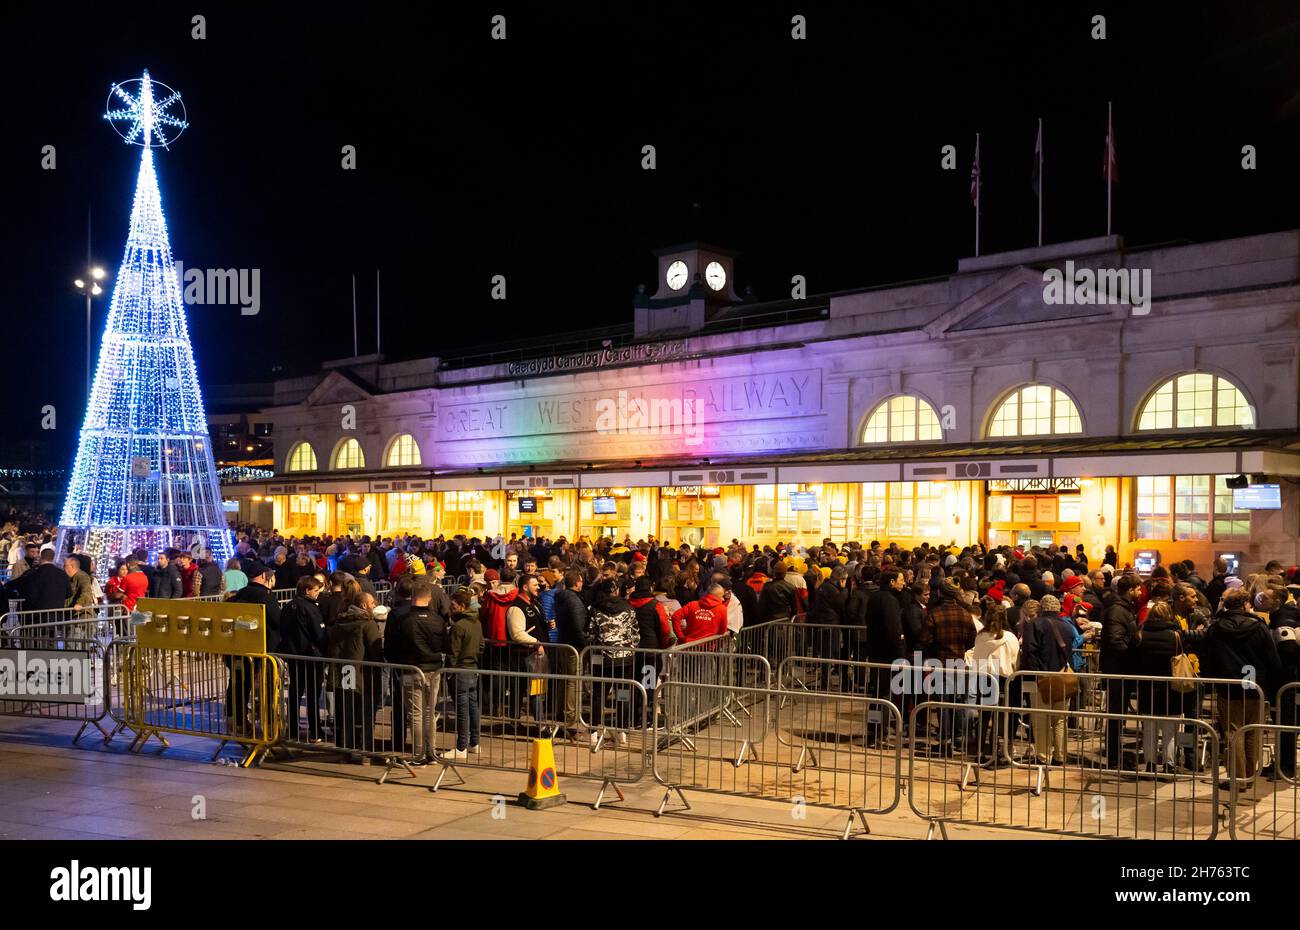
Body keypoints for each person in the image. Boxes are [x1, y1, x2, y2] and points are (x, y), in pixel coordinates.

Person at [1186, 588, 1284, 788]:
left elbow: (1208, 656)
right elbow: (1272, 658)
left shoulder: (1216, 628)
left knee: (1232, 731)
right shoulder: (1258, 627)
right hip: (1255, 685)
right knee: (1253, 732)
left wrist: (1212, 678)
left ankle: (1237, 779)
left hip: (1227, 686)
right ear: (1246, 603)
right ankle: (1248, 777)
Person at [384, 578, 448, 760]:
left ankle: (419, 752)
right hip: (433, 669)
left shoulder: (403, 620)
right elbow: (444, 644)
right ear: (428, 599)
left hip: (411, 669)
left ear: (412, 597)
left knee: (416, 713)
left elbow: (391, 645)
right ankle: (431, 750)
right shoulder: (437, 620)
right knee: (429, 711)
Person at [325, 581, 385, 762]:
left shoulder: (339, 622)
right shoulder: (367, 625)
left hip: (343, 673)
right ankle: (364, 750)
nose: (375, 606)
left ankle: (345, 748)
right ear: (364, 605)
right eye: (373, 603)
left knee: (345, 711)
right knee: (364, 713)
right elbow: (375, 651)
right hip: (362, 675)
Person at [1019, 594, 1073, 765]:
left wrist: (1032, 674)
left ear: (1042, 608)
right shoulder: (1067, 626)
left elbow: (1029, 651)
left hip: (1041, 677)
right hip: (1063, 677)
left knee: (1041, 718)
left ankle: (1043, 757)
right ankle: (1060, 755)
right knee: (1060, 719)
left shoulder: (1035, 624)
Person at [1133, 600, 1186, 773]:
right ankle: (1169, 764)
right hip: (1170, 686)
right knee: (1170, 729)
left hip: (1147, 686)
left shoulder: (1140, 634)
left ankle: (1150, 763)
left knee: (1149, 728)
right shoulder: (1175, 636)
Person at [585, 577, 639, 746]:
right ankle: (621, 730)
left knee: (598, 695)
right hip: (625, 658)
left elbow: (590, 633)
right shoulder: (629, 608)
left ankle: (594, 731)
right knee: (623, 694)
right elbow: (635, 634)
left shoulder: (594, 609)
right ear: (616, 591)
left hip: (601, 659)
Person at [969, 598, 1020, 765]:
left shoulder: (980, 636)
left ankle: (980, 751)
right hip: (1003, 678)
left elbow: (977, 658)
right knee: (1000, 716)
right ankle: (995, 752)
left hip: (984, 677)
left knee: (984, 716)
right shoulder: (1010, 637)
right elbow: (1014, 659)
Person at [278, 575, 327, 742]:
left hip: (293, 655)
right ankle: (315, 731)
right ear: (307, 590)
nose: (318, 593)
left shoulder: (288, 606)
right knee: (313, 693)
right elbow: (318, 634)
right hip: (311, 656)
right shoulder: (310, 608)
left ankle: (292, 728)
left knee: (295, 692)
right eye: (315, 590)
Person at [1100, 575, 1142, 766]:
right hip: (1118, 669)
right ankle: (1114, 756)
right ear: (1130, 590)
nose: (1140, 592)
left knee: (1119, 713)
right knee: (1116, 713)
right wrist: (1131, 655)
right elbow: (1115, 640)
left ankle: (1115, 752)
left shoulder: (1123, 608)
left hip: (1122, 668)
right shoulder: (1117, 610)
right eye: (1138, 589)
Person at [445, 587, 484, 759]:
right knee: (472, 707)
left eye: (453, 606)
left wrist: (450, 671)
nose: (450, 609)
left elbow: (453, 652)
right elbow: (481, 646)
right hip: (472, 668)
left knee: (462, 709)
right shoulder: (476, 623)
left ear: (461, 606)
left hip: (460, 670)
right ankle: (474, 742)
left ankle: (461, 746)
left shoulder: (459, 626)